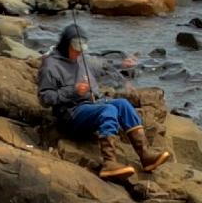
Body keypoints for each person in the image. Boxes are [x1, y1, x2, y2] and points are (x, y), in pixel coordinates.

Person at [35, 24, 171, 180]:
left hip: (91, 105)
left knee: (123, 104)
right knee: (108, 110)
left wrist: (122, 65)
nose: (79, 53)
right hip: (71, 114)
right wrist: (73, 91)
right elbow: (44, 98)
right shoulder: (50, 65)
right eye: (75, 49)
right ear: (66, 44)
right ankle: (109, 163)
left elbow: (104, 66)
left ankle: (145, 155)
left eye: (81, 49)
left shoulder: (82, 59)